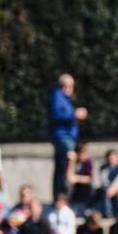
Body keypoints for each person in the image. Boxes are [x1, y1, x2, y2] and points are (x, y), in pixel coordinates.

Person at [48, 74, 88, 203]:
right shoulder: (57, 96)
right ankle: (62, 196)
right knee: (67, 162)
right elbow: (56, 115)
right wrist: (74, 114)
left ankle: (61, 196)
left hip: (66, 136)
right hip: (62, 136)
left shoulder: (64, 98)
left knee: (61, 166)